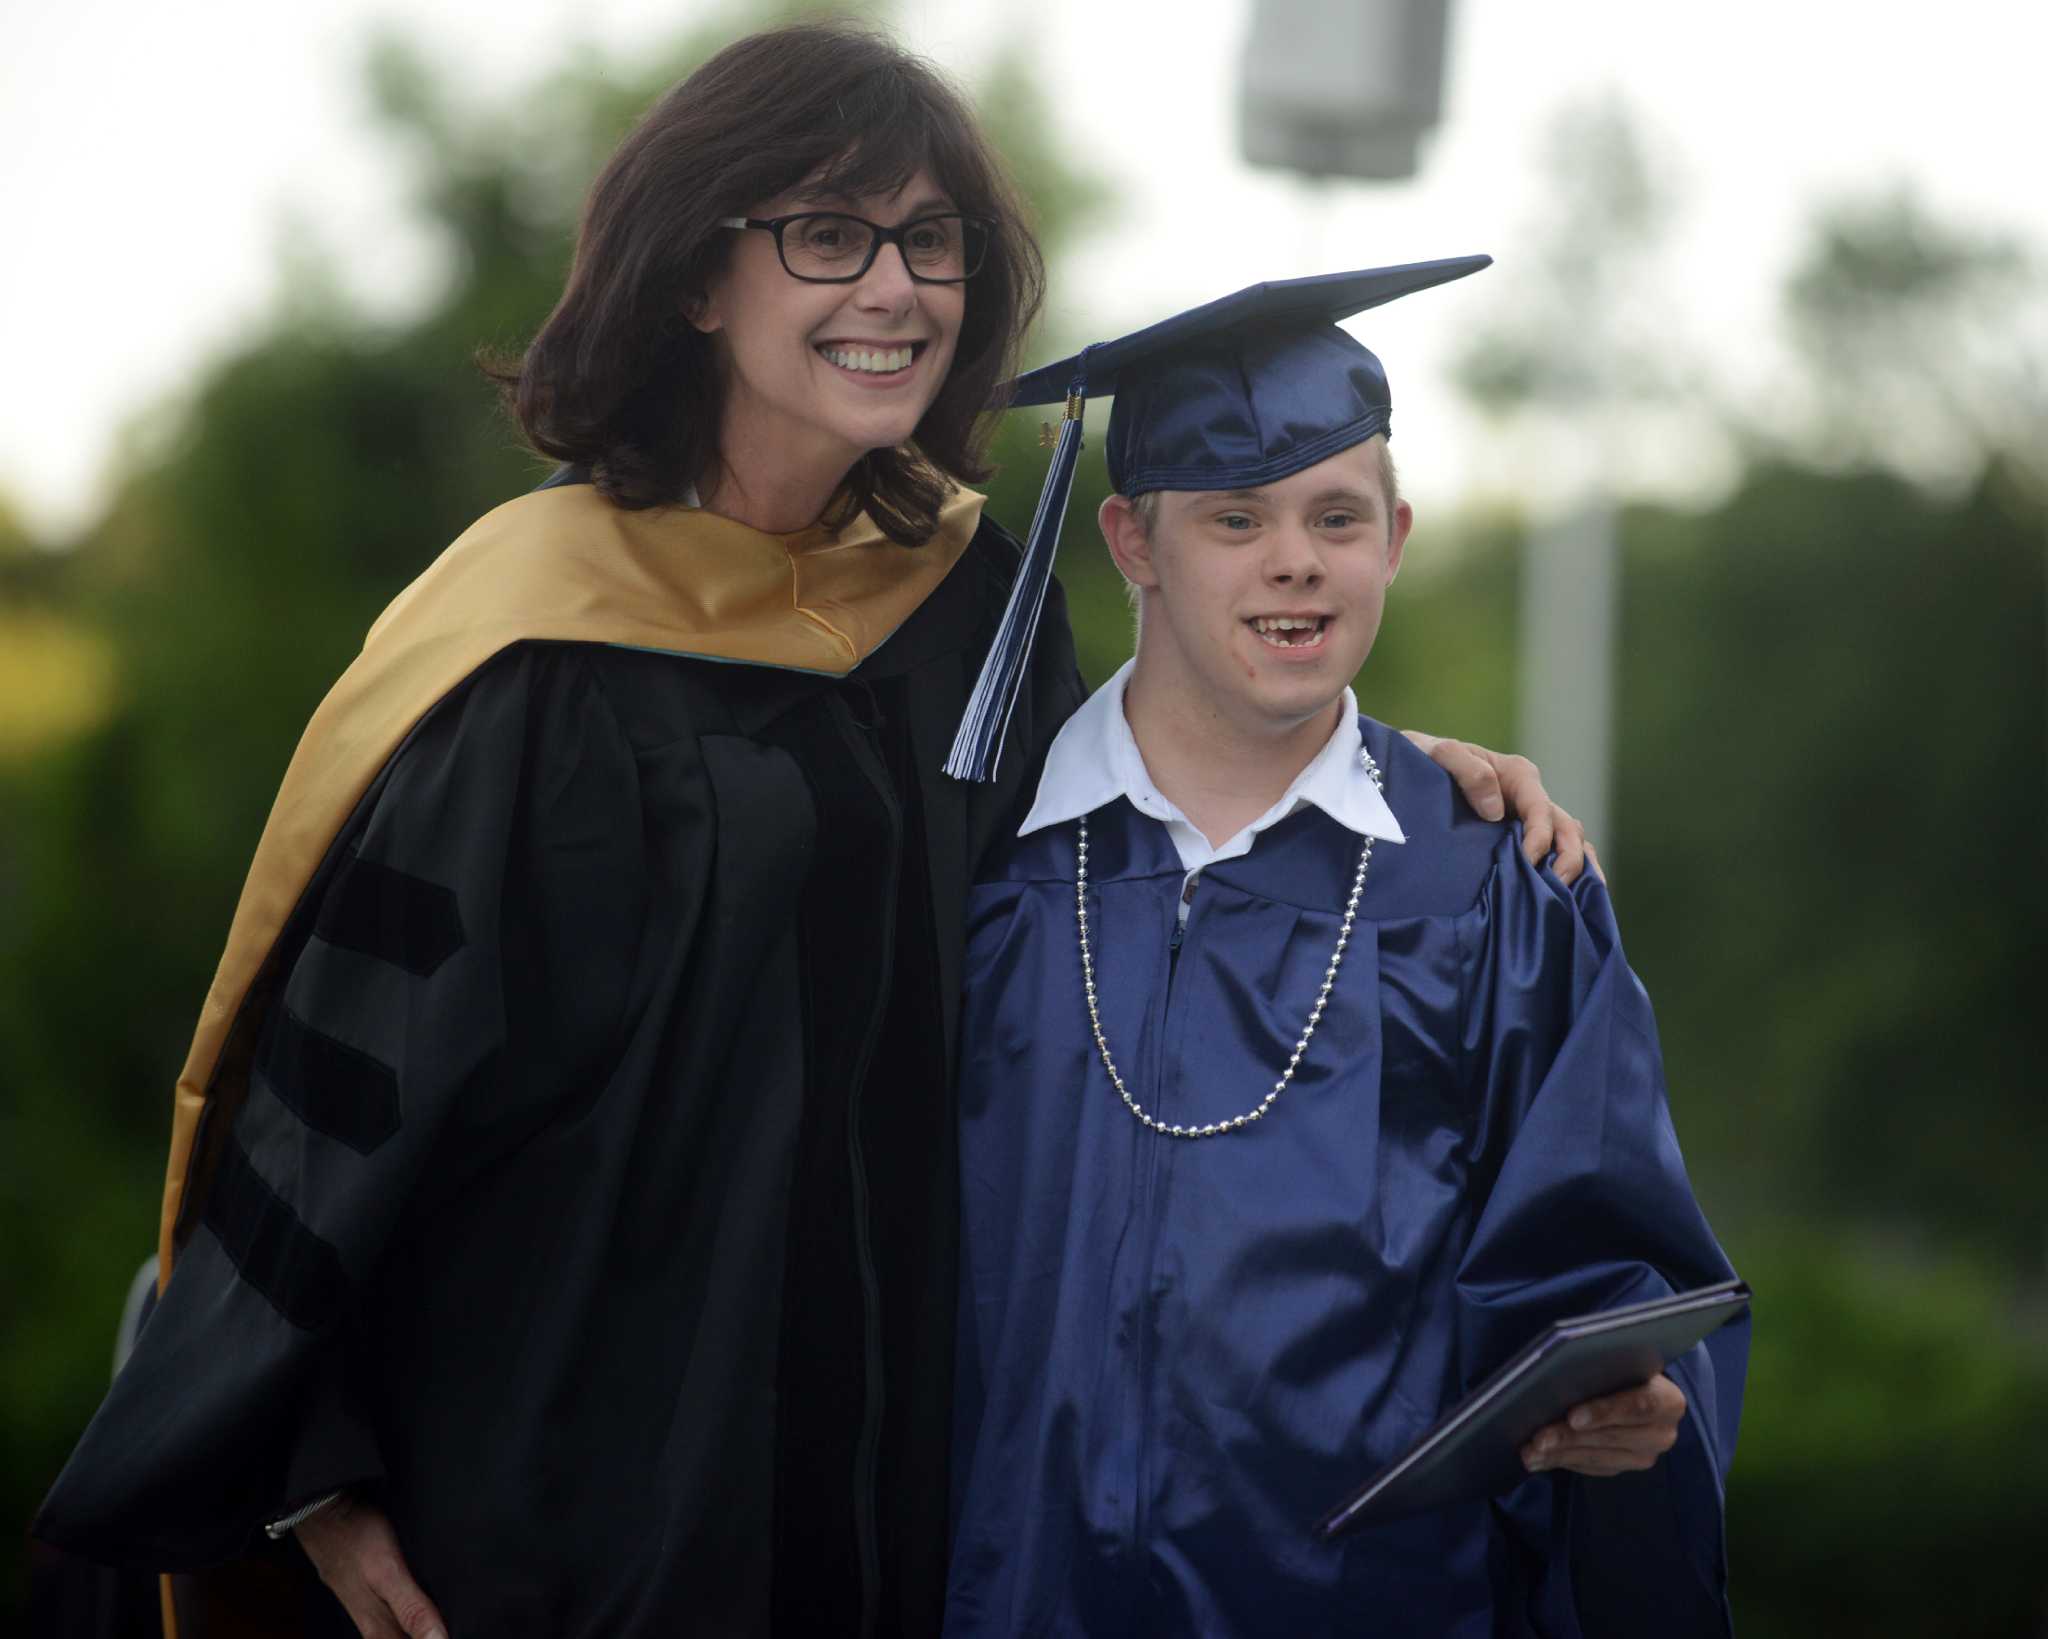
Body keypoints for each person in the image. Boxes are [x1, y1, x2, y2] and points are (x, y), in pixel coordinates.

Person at [34, 30, 1583, 1639]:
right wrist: (315, 1463)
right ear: (700, 279)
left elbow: (1123, 849)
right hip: (549, 1471)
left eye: (934, 242)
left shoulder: (966, 603)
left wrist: (1390, 771)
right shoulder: (528, 643)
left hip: (887, 1462)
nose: (895, 288)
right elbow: (339, 1082)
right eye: (827, 237)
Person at [943, 262, 1747, 1638]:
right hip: (1005, 1595)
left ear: (1397, 536)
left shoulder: (1495, 886)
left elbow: (1606, 1260)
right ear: (1134, 543)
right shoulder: (976, 864)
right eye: (1234, 518)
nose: (1294, 558)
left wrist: (1637, 1408)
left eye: (1336, 516)